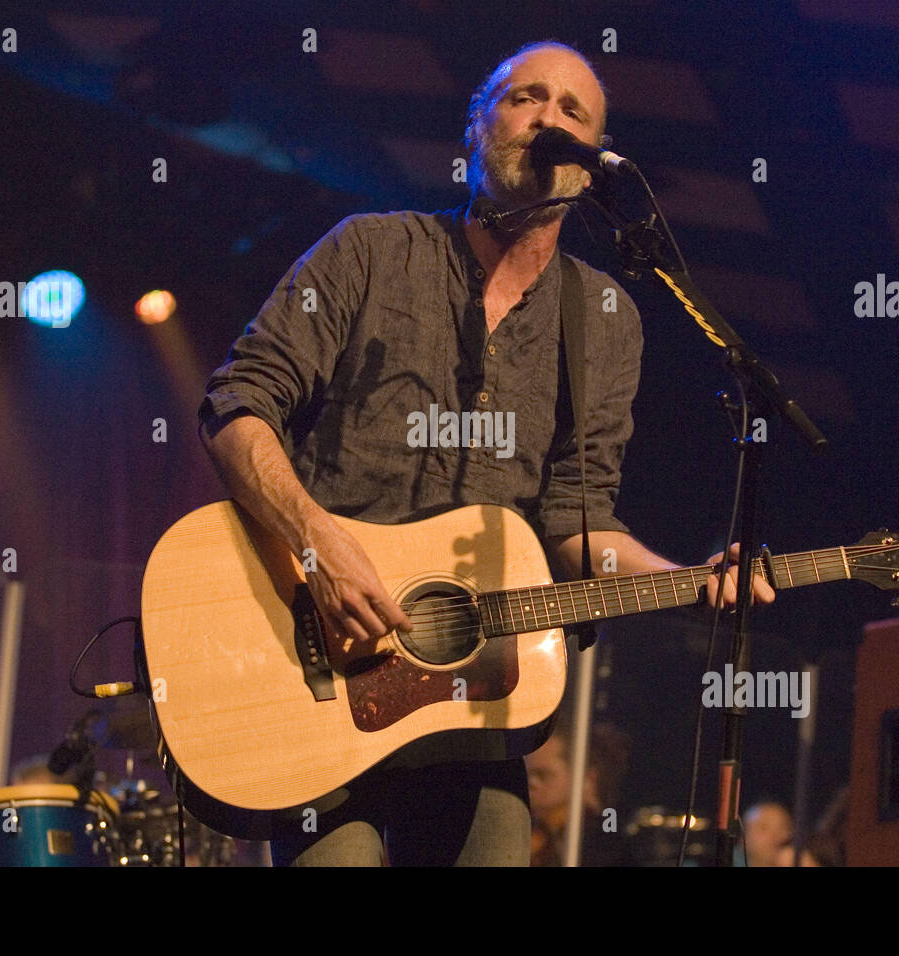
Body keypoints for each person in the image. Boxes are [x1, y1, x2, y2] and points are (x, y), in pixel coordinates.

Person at [199, 40, 774, 866]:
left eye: (573, 112)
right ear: (475, 128)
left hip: (470, 709)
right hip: (314, 667)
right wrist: (317, 542)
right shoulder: (368, 251)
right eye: (525, 99)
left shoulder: (606, 317)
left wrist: (685, 583)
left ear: (589, 166)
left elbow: (580, 526)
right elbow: (237, 405)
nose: (549, 119)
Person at [527, 719, 630, 866]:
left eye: (543, 775)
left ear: (586, 778)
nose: (531, 783)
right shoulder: (526, 833)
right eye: (527, 775)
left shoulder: (603, 838)